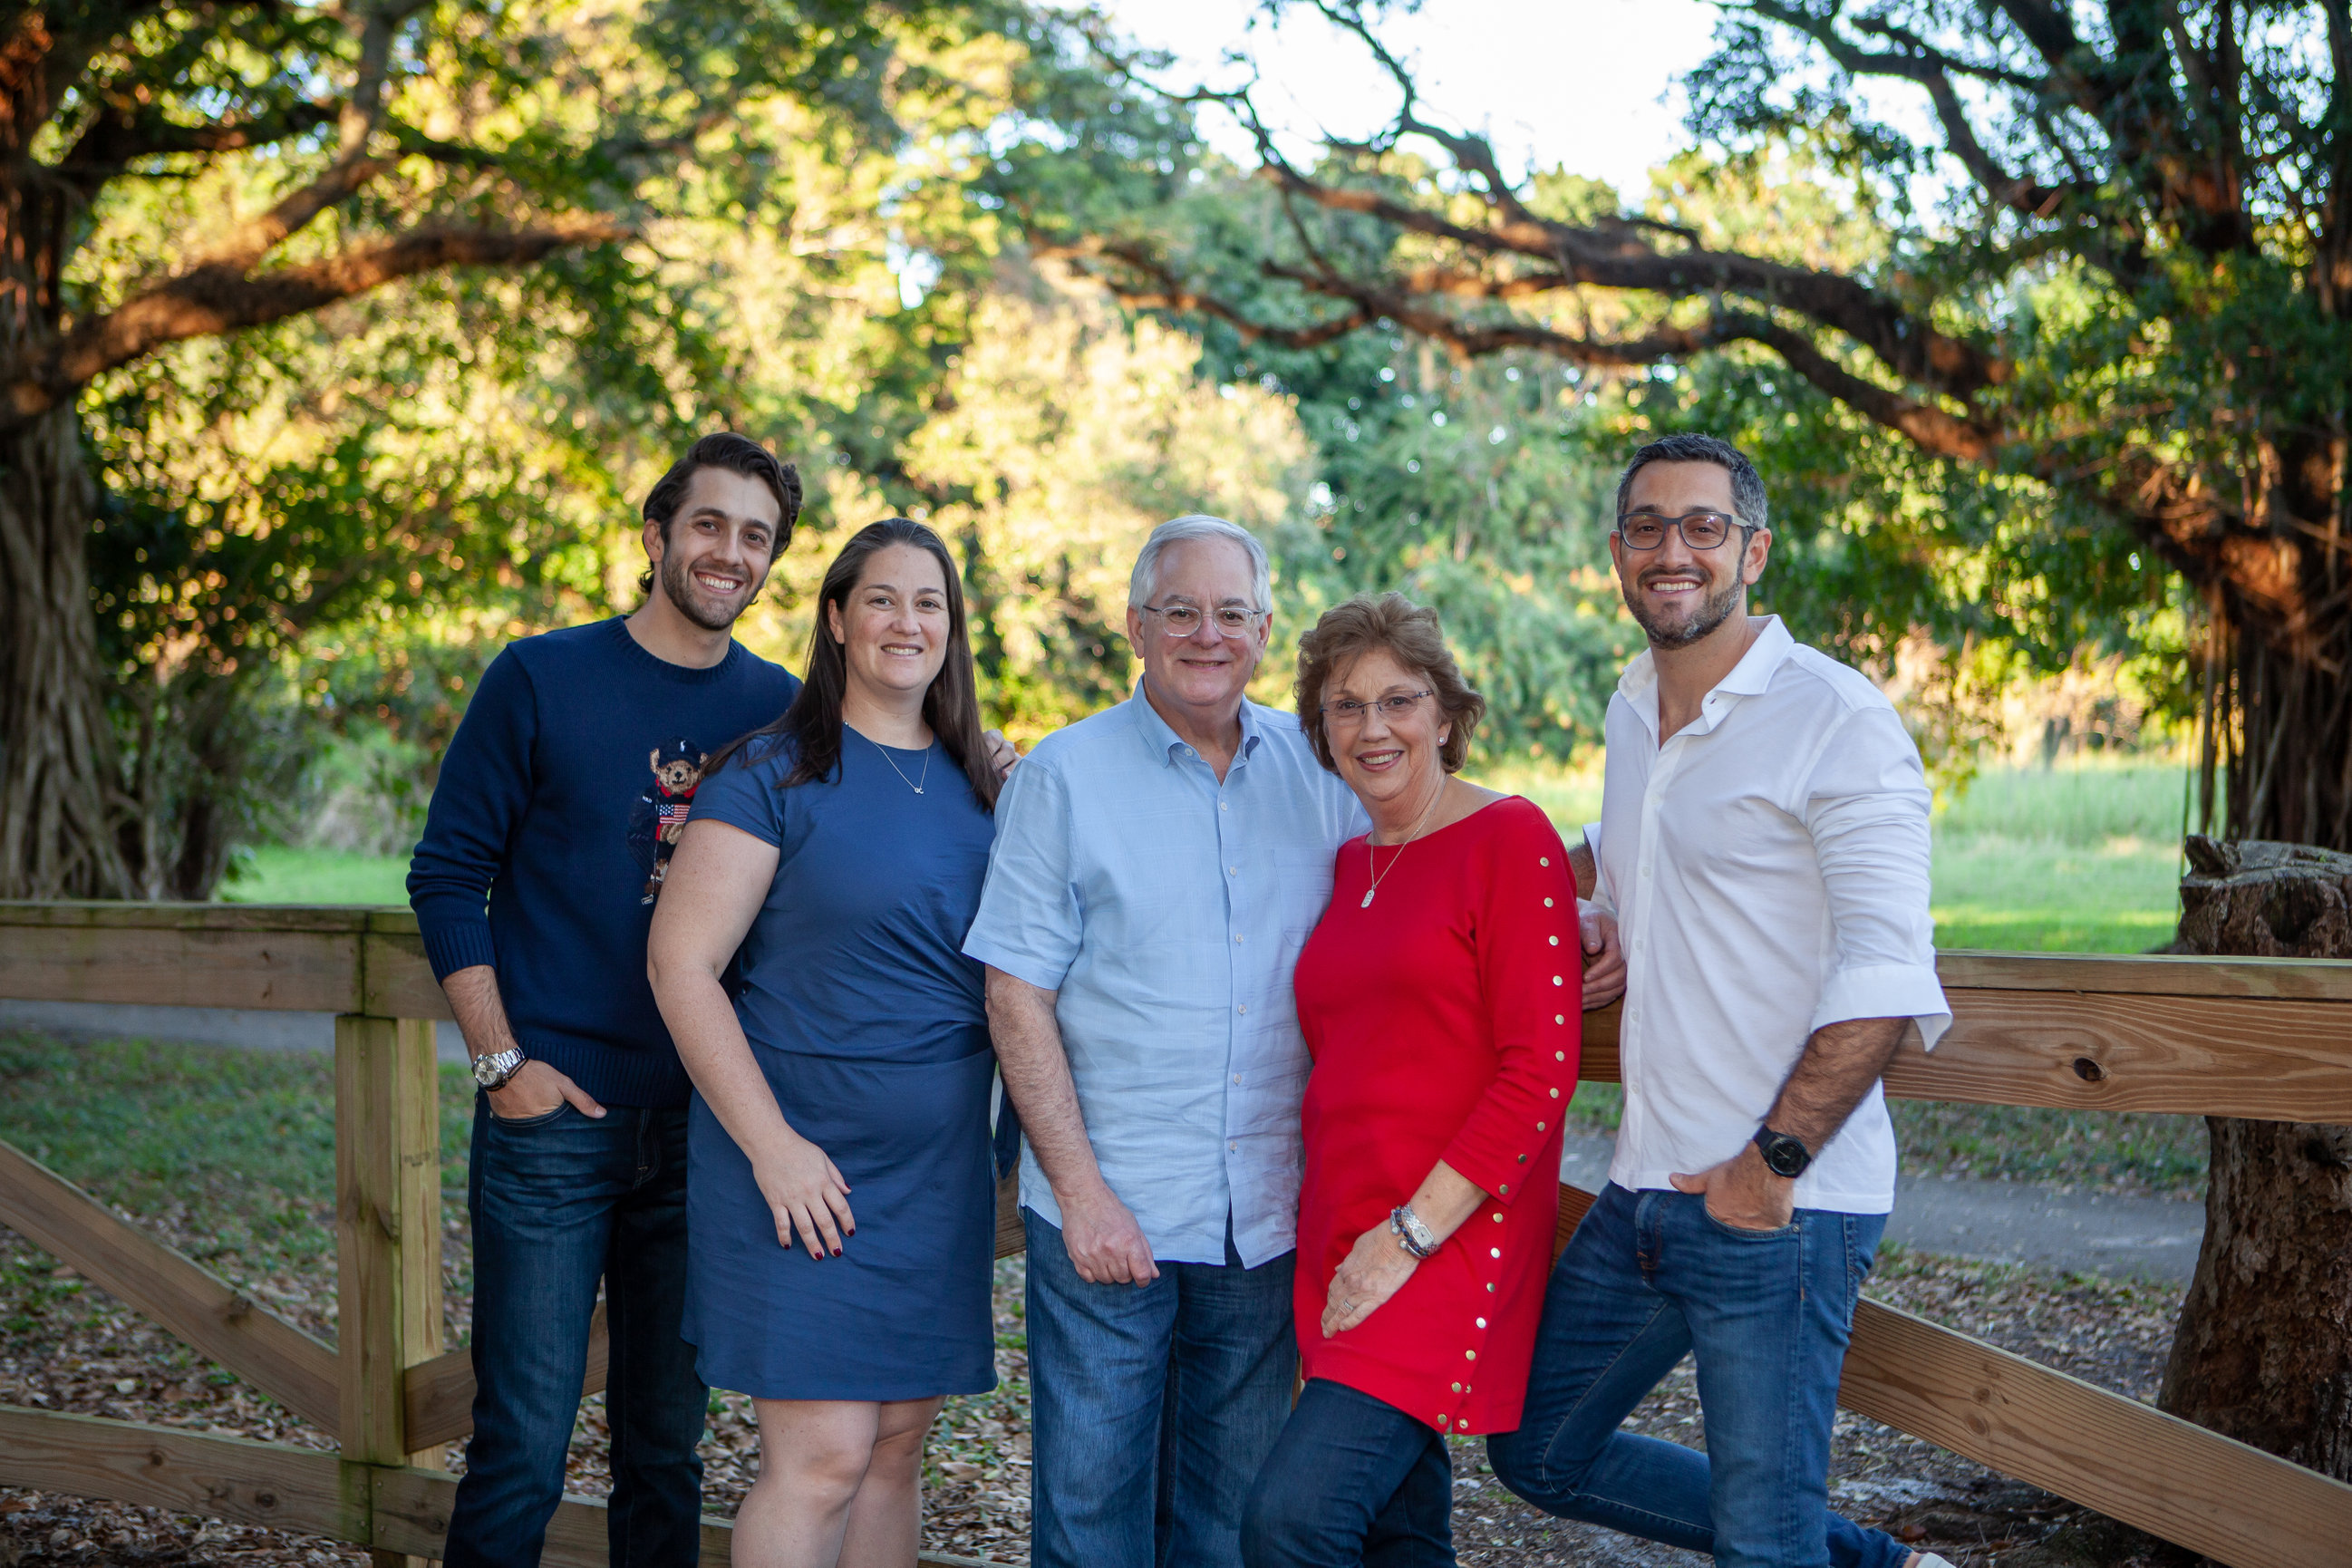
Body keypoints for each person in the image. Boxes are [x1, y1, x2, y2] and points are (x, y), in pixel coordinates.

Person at [1486, 433, 1956, 1568]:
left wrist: (1769, 1167)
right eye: (1647, 525)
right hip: (1645, 1190)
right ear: (1617, 552)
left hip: (1781, 1203)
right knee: (1539, 1449)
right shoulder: (1634, 701)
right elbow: (1633, 840)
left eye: (1703, 525)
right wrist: (1583, 904)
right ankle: (1877, 1563)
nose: (1672, 549)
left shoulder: (1836, 716)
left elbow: (1888, 972)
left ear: (1755, 550)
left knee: (1762, 1536)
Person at [408, 431, 804, 1568]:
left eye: (756, 536)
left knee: (666, 1450)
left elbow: (887, 792)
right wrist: (502, 1063)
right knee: (522, 1445)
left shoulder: (780, 710)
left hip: (701, 1129)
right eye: (711, 524)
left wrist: (1004, 767)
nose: (732, 551)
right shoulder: (538, 676)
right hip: (551, 1120)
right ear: (657, 536)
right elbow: (447, 873)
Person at [963, 515, 1367, 1568]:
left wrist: (1580, 912)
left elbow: (1435, 865)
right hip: (1111, 1213)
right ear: (1136, 626)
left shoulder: (1320, 770)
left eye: (1230, 612)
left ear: (1265, 628)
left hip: (1265, 1216)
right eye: (1179, 611)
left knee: (1229, 1523)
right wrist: (1083, 1192)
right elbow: (1015, 995)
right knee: (1093, 1520)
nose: (1206, 633)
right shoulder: (1065, 776)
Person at [646, 518, 1003, 1568]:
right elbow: (681, 968)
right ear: (838, 620)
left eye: (929, 601)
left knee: (895, 1449)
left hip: (936, 1174)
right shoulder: (772, 772)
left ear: (951, 628)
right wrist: (773, 1147)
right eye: (882, 598)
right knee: (824, 1455)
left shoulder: (988, 781)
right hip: (799, 1162)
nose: (908, 620)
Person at [1240, 594, 1582, 1568]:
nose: (1372, 726)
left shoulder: (1511, 839)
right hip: (1343, 1225)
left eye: (1398, 699)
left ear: (1445, 713)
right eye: (1345, 706)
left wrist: (1408, 1236)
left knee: (1293, 1518)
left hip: (1443, 1234)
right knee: (1398, 1529)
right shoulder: (1351, 862)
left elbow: (1541, 1070)